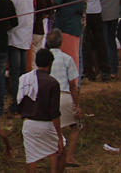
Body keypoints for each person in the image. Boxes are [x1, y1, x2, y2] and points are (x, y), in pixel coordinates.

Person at [17, 49, 62, 173]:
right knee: (56, 151)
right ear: (50, 63)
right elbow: (54, 113)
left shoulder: (25, 79)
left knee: (31, 158)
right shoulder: (53, 83)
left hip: (28, 124)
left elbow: (19, 105)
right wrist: (59, 136)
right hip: (46, 124)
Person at [43, 30, 81, 167]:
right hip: (64, 95)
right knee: (75, 126)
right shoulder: (67, 58)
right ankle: (68, 156)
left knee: (52, 129)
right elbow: (72, 85)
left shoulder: (43, 59)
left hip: (47, 97)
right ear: (61, 42)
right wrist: (77, 105)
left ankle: (53, 157)